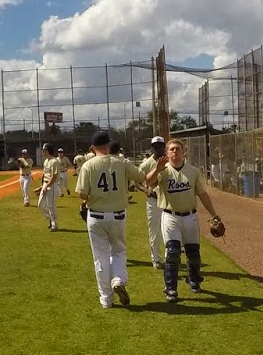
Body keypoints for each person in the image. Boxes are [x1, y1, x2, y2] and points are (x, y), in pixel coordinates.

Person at [144, 138, 224, 303]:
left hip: (190, 216)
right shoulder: (163, 171)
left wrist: (214, 214)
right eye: (171, 149)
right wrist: (157, 169)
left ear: (183, 151)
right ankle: (171, 288)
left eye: (178, 149)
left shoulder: (193, 171)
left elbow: (202, 194)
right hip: (170, 216)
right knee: (173, 253)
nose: (175, 152)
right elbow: (148, 182)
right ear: (167, 153)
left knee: (193, 253)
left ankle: (194, 279)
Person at [75, 130, 146, 308]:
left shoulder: (88, 165)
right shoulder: (121, 162)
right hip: (118, 215)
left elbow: (82, 193)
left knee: (101, 257)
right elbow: (141, 177)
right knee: (119, 251)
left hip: (96, 216)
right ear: (108, 146)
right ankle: (118, 280)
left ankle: (106, 299)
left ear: (92, 148)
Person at [137, 136, 167, 268]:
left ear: (164, 147)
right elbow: (136, 182)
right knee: (154, 231)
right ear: (151, 148)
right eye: (155, 146)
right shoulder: (146, 164)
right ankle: (156, 258)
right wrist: (146, 190)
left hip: (169, 200)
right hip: (153, 201)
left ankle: (170, 257)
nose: (158, 148)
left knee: (169, 230)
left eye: (160, 146)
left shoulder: (169, 161)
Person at [38, 145, 63, 230]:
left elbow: (54, 177)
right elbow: (45, 175)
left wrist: (46, 186)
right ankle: (51, 219)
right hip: (46, 184)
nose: (43, 151)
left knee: (51, 206)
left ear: (49, 150)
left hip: (52, 185)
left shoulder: (54, 161)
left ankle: (54, 225)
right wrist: (42, 186)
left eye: (44, 150)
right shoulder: (45, 161)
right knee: (40, 205)